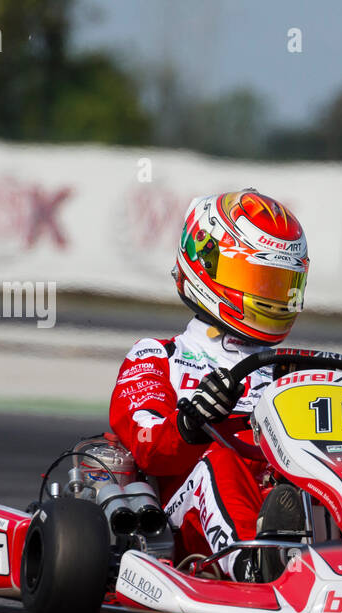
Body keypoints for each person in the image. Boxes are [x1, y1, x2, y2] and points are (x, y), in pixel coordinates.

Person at [108, 189, 309, 573]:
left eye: (281, 285)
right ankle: (253, 564)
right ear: (207, 265)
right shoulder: (158, 355)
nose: (272, 297)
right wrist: (191, 423)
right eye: (259, 280)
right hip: (180, 520)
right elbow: (147, 446)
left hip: (279, 494)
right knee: (222, 459)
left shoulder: (295, 372)